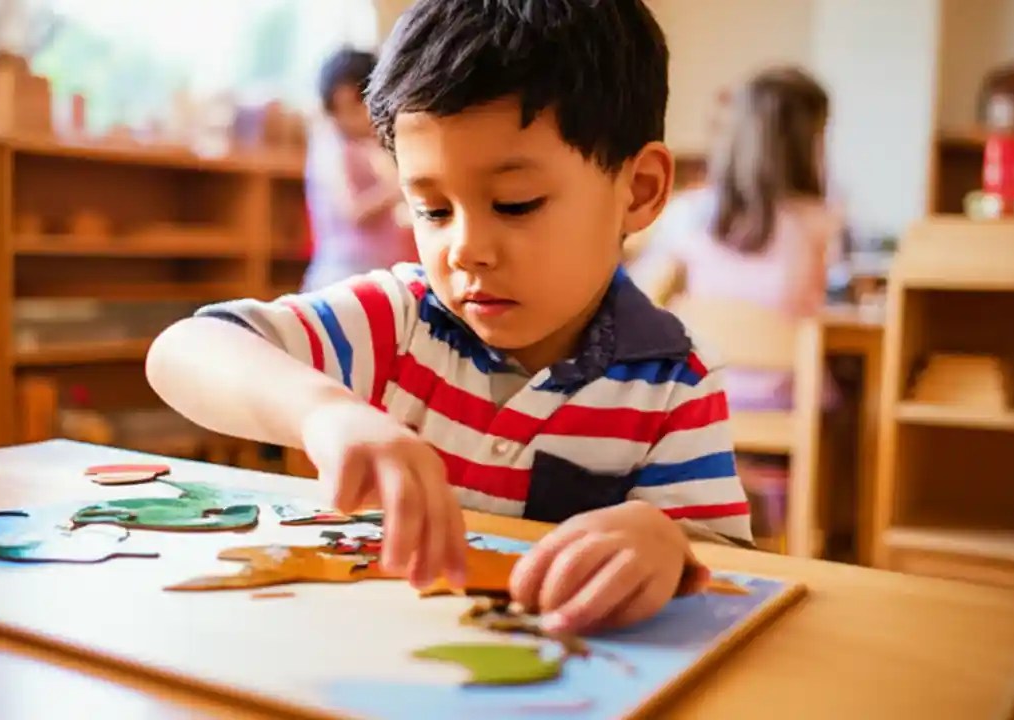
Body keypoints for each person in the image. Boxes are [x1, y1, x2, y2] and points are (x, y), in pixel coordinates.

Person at [146, 0, 751, 635]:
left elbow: (733, 575)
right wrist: (323, 411)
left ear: (640, 189)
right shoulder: (401, 322)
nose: (464, 249)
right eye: (432, 210)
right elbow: (185, 348)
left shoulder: (672, 382)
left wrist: (665, 542)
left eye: (515, 204)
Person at [633, 66, 842, 411]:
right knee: (851, 396)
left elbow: (640, 298)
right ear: (810, 143)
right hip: (787, 403)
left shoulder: (688, 213)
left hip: (698, 397)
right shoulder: (819, 222)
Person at [301, 48, 414, 292]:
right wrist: (400, 184)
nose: (354, 119)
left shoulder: (372, 143)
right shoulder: (331, 147)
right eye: (344, 111)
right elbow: (352, 210)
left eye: (359, 107)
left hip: (384, 274)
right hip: (343, 276)